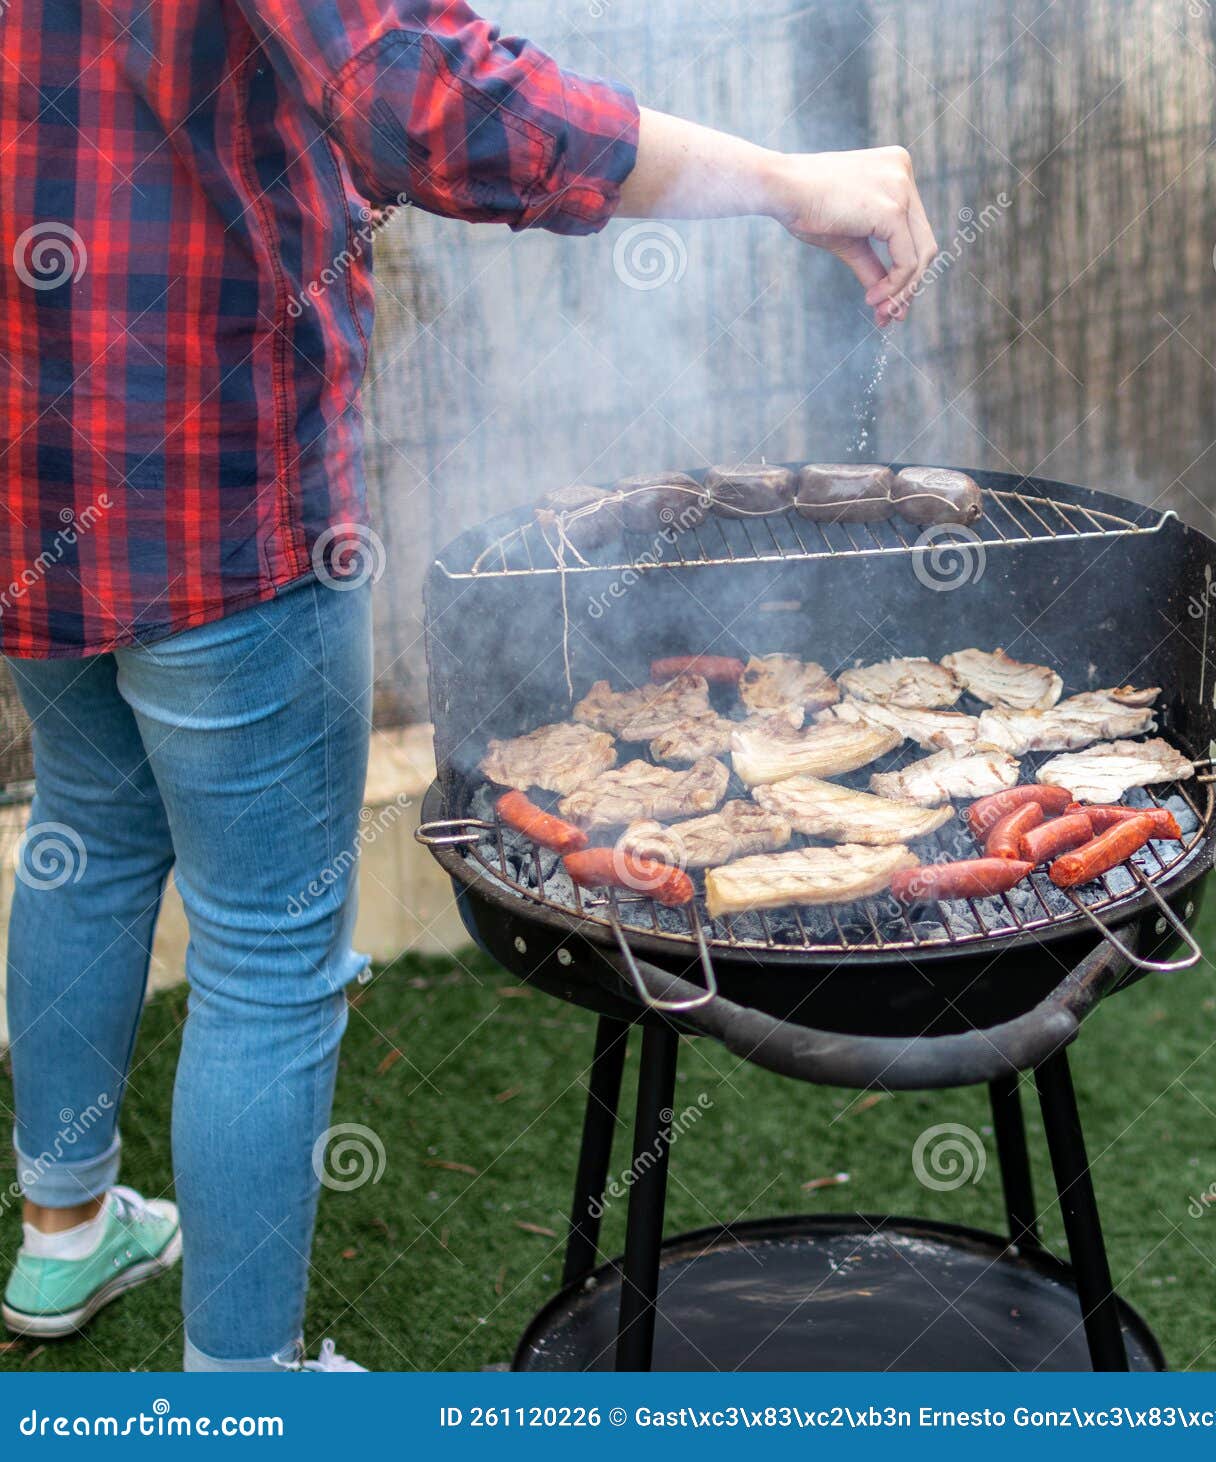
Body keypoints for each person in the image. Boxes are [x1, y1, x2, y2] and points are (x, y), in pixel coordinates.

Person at [0, 0, 936, 1371]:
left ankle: (66, 1226)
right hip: (214, 480)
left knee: (94, 808)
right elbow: (428, 97)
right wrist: (791, 183)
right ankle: (245, 1401)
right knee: (266, 947)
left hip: (27, 444)